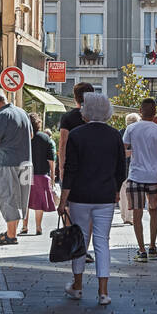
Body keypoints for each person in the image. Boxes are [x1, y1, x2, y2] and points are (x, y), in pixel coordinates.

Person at [59, 92, 126, 306]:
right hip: (105, 196)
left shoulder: (76, 135)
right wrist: (116, 189)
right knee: (101, 242)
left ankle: (77, 286)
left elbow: (70, 170)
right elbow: (121, 168)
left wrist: (63, 200)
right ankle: (103, 292)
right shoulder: (114, 135)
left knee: (80, 242)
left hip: (80, 196)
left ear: (87, 111)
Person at [122, 98, 157, 261]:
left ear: (140, 111)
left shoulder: (131, 128)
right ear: (155, 111)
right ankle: (152, 246)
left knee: (137, 213)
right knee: (153, 210)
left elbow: (122, 151)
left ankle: (141, 250)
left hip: (136, 175)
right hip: (154, 176)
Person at [0, 90, 33, 246]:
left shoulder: (2, 115)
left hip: (9, 162)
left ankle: (11, 236)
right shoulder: (22, 112)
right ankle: (11, 231)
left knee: (8, 198)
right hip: (26, 162)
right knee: (21, 199)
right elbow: (31, 135)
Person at [58, 82, 95, 263]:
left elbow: (63, 144)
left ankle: (72, 248)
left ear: (75, 97)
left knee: (69, 210)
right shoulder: (98, 117)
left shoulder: (68, 117)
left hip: (73, 170)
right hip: (93, 170)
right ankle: (84, 249)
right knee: (88, 214)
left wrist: (61, 168)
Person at [22, 113, 57, 236]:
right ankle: (38, 227)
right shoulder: (45, 138)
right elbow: (51, 160)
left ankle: (24, 226)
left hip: (25, 171)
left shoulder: (23, 137)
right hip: (42, 173)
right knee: (39, 202)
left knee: (25, 200)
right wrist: (52, 176)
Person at [118, 113, 138, 225]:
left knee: (123, 194)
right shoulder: (138, 134)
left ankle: (125, 216)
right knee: (131, 193)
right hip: (133, 168)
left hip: (123, 168)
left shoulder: (120, 133)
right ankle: (129, 217)